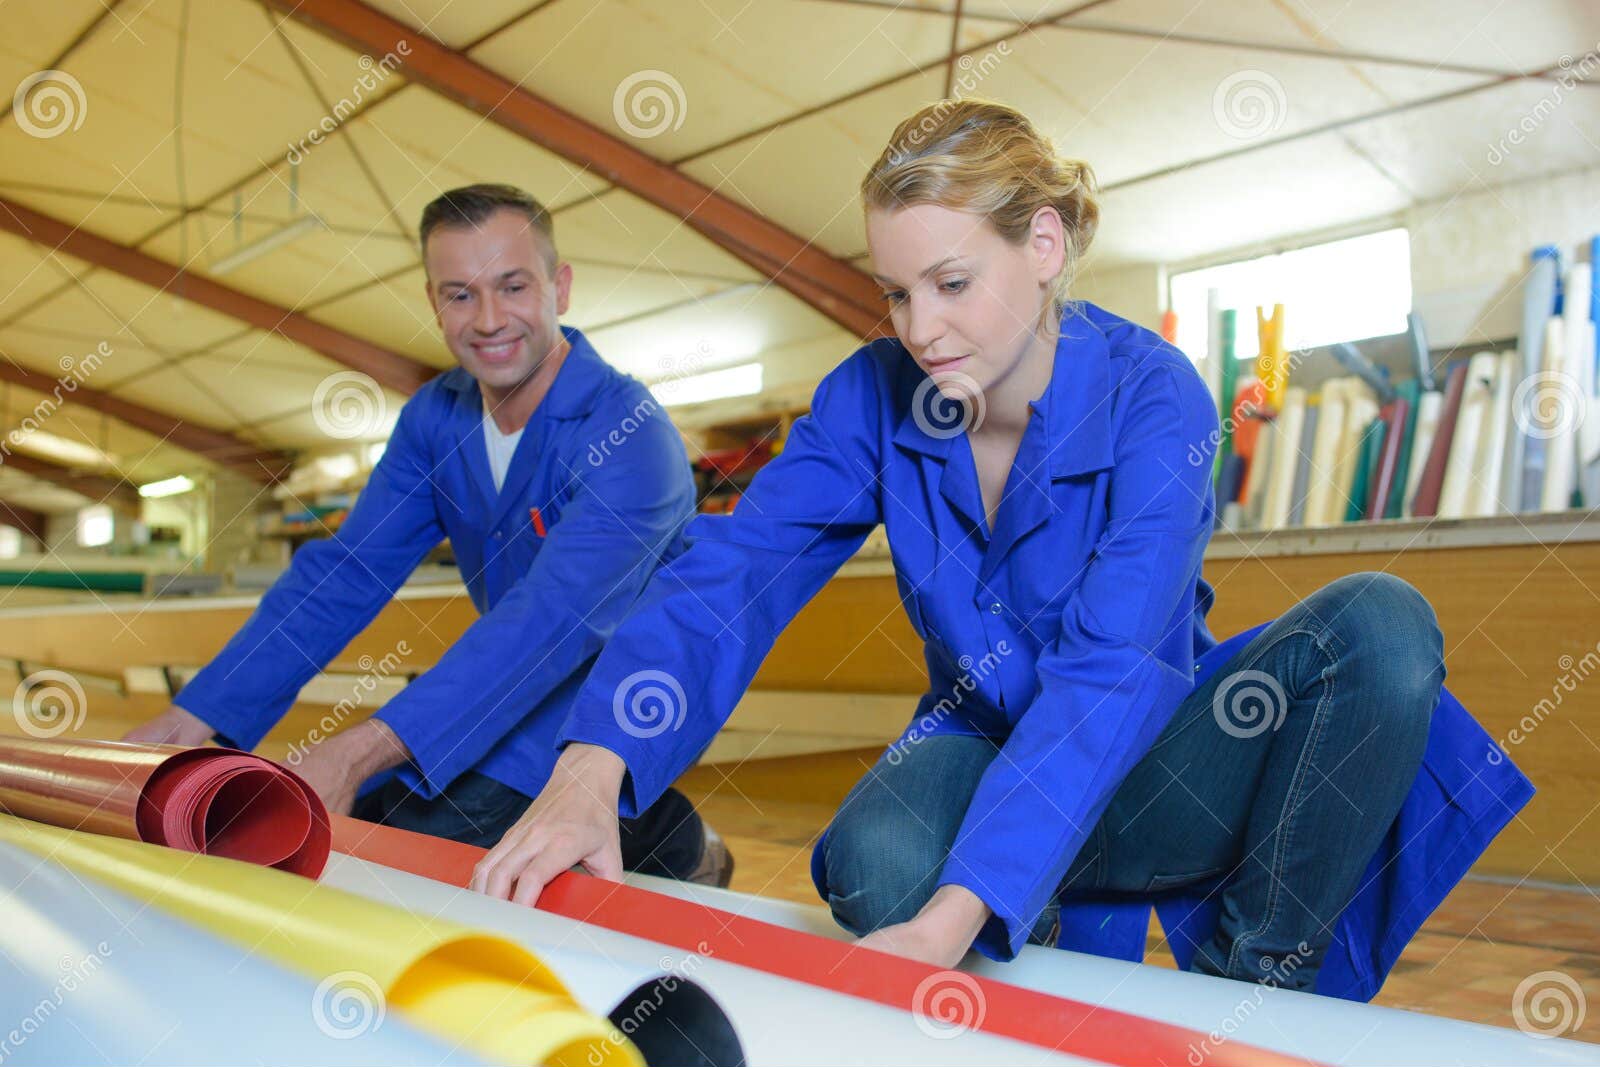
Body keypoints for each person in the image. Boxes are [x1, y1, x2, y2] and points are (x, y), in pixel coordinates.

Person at [468, 103, 1531, 997]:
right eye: (894, 292)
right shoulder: (867, 397)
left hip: (1160, 757)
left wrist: (953, 919)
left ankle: (1259, 991)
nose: (919, 328)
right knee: (883, 869)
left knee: (1380, 625)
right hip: (976, 747)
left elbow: (1112, 670)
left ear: (1045, 246)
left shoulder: (1154, 394)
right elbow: (734, 573)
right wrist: (590, 766)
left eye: (950, 283)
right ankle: (1038, 930)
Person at [125, 184, 730, 887]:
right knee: (361, 815)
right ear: (432, 302)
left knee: (414, 838)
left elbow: (549, 622)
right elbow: (348, 572)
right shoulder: (433, 420)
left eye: (513, 286)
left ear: (559, 287)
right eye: (460, 295)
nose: (490, 319)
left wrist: (356, 751)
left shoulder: (631, 436)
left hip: (626, 692)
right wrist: (202, 711)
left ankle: (672, 835)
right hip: (513, 681)